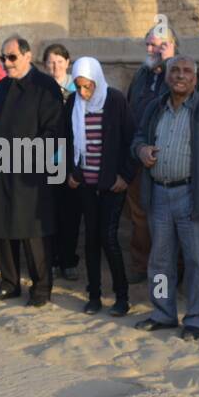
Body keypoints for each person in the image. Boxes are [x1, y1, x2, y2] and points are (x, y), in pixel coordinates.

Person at [132, 54, 199, 340]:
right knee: (160, 261)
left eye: (187, 71)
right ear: (166, 76)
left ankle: (198, 318)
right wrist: (141, 151)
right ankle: (163, 313)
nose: (180, 75)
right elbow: (138, 138)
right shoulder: (155, 108)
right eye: (175, 70)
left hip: (193, 196)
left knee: (197, 261)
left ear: (194, 77)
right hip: (159, 195)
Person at [0, 35, 63, 307]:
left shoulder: (45, 86)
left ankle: (41, 288)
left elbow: (54, 130)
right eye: (3, 57)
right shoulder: (2, 87)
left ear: (27, 56)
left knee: (32, 232)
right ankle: (9, 283)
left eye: (12, 57)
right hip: (4, 168)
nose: (7, 62)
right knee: (3, 227)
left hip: (31, 171)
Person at [124, 23, 199, 282]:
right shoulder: (141, 76)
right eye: (147, 43)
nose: (150, 49)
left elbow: (191, 102)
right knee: (138, 216)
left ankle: (176, 272)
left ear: (170, 46)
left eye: (157, 44)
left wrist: (171, 64)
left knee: (172, 220)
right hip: (139, 156)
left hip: (168, 161)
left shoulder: (184, 74)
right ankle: (141, 267)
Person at [64, 57, 134, 316]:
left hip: (111, 186)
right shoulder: (73, 103)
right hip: (85, 185)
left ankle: (122, 297)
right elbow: (66, 139)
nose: (83, 93)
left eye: (87, 87)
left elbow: (131, 139)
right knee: (91, 240)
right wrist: (70, 173)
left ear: (97, 81)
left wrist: (124, 176)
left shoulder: (114, 100)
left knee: (108, 238)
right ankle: (94, 295)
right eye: (78, 87)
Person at [42, 43, 81, 282]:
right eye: (51, 62)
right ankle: (52, 259)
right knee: (49, 212)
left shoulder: (78, 87)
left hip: (72, 160)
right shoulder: (42, 89)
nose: (55, 66)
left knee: (71, 214)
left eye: (59, 61)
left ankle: (68, 260)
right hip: (47, 161)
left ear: (68, 62)